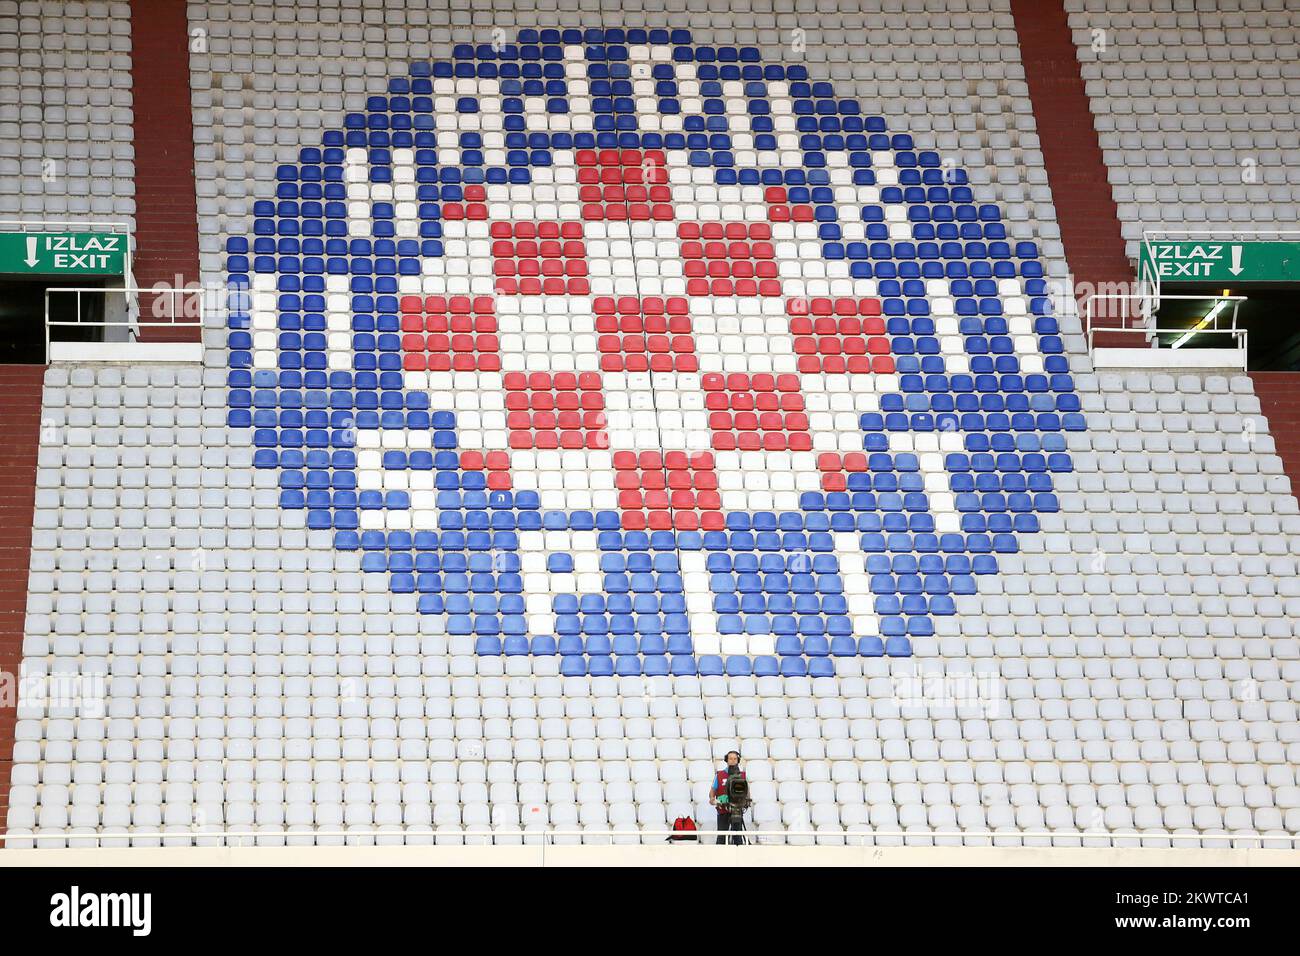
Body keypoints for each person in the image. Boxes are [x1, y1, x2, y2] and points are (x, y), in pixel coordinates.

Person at [709, 751, 746, 845]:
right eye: (730, 759)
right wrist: (712, 799)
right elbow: (712, 792)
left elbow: (746, 792)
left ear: (738, 760)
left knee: (738, 838)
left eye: (735, 759)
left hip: (737, 810)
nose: (733, 761)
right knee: (721, 837)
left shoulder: (742, 776)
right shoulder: (719, 775)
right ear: (726, 760)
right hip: (722, 810)